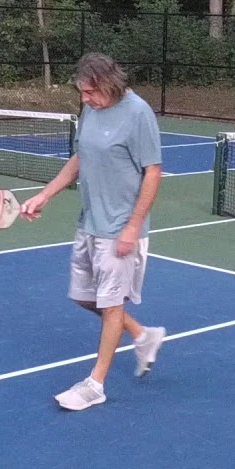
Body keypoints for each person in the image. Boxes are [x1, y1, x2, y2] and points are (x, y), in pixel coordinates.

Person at [20, 52, 167, 411]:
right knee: (85, 298)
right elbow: (80, 157)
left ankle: (95, 385)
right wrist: (45, 195)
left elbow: (153, 172)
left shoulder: (138, 113)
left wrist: (132, 227)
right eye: (82, 93)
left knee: (111, 305)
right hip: (90, 222)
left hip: (120, 229)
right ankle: (142, 335)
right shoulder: (90, 110)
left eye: (89, 92)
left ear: (109, 84)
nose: (83, 99)